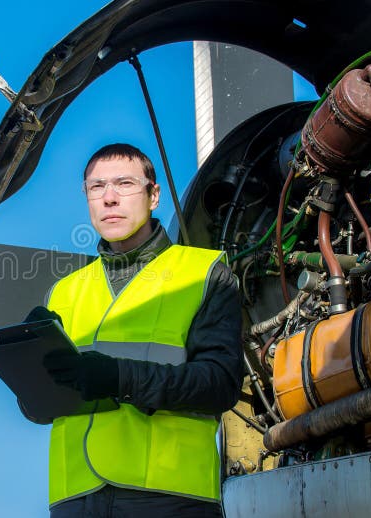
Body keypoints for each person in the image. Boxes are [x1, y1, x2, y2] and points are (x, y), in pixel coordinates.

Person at [23, 143, 243, 517]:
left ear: (153, 195)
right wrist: (30, 372)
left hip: (170, 496)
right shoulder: (63, 292)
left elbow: (220, 384)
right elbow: (40, 410)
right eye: (96, 187)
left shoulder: (204, 274)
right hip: (74, 499)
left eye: (124, 184)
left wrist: (119, 377)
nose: (109, 198)